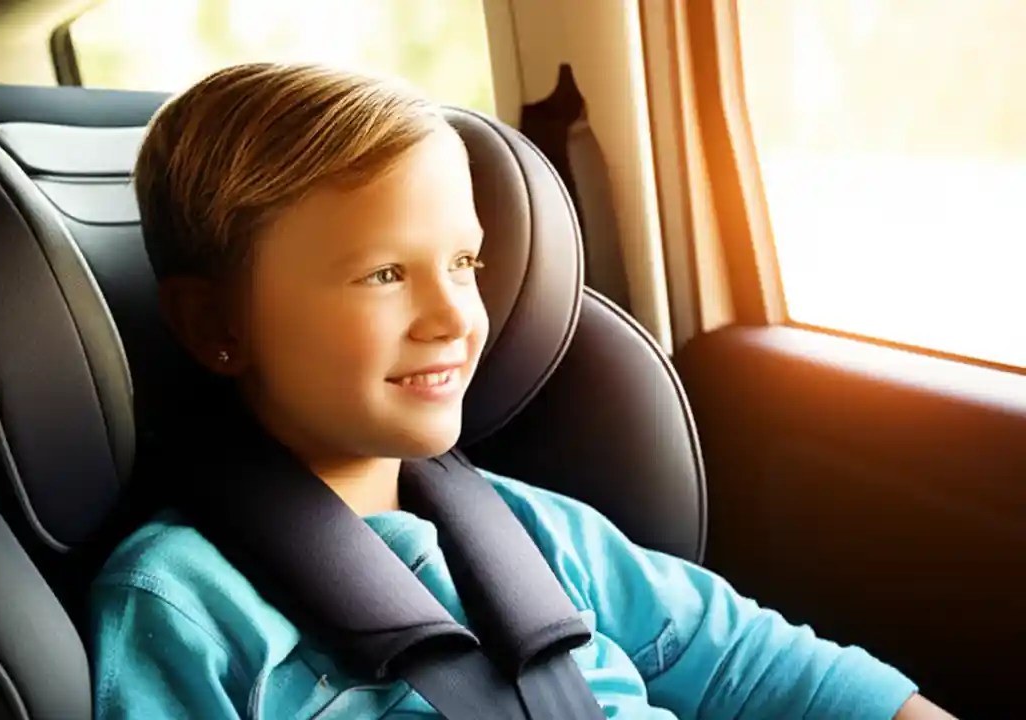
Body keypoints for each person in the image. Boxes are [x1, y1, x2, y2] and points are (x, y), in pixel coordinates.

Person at [89, 62, 954, 719]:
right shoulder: (183, 606)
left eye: (464, 264)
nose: (451, 316)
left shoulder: (532, 530)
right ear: (212, 325)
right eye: (384, 273)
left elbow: (766, 669)